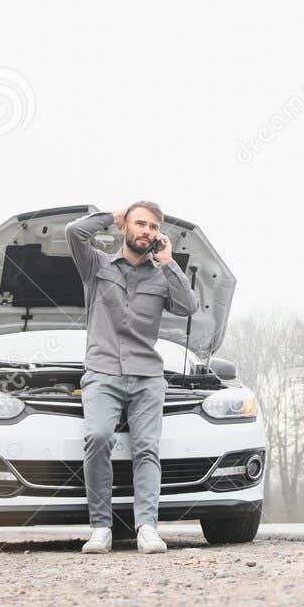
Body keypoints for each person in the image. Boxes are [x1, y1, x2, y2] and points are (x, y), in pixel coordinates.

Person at [65, 202, 198, 554]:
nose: (147, 231)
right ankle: (100, 528)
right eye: (141, 224)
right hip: (102, 372)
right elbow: (73, 232)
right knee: (97, 437)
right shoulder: (97, 265)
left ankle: (148, 528)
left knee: (147, 449)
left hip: (147, 375)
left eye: (154, 227)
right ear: (126, 227)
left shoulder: (161, 275)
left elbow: (188, 307)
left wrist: (170, 263)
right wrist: (112, 215)